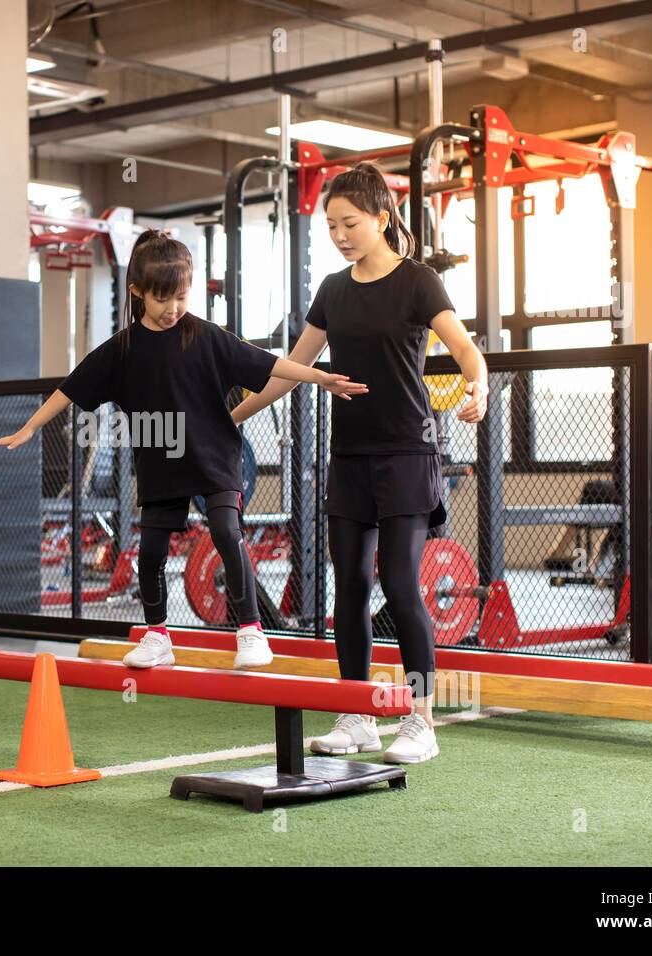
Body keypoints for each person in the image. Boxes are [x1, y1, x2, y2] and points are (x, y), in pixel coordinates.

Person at [0, 229, 362, 669]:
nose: (173, 309)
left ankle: (250, 631)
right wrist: (30, 426)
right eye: (162, 298)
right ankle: (157, 634)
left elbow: (265, 362)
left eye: (181, 297)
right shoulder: (121, 350)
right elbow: (71, 389)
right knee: (149, 551)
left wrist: (319, 377)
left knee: (226, 530)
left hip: (215, 455)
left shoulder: (205, 336)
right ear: (137, 293)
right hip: (161, 461)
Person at [234, 162, 488, 764]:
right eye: (331, 225)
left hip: (406, 453)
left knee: (400, 583)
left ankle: (420, 719)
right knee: (348, 586)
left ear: (380, 218)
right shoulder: (332, 290)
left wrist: (477, 386)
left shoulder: (418, 282)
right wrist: (232, 417)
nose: (341, 234)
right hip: (349, 457)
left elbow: (463, 348)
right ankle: (356, 715)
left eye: (350, 223)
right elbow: (290, 369)